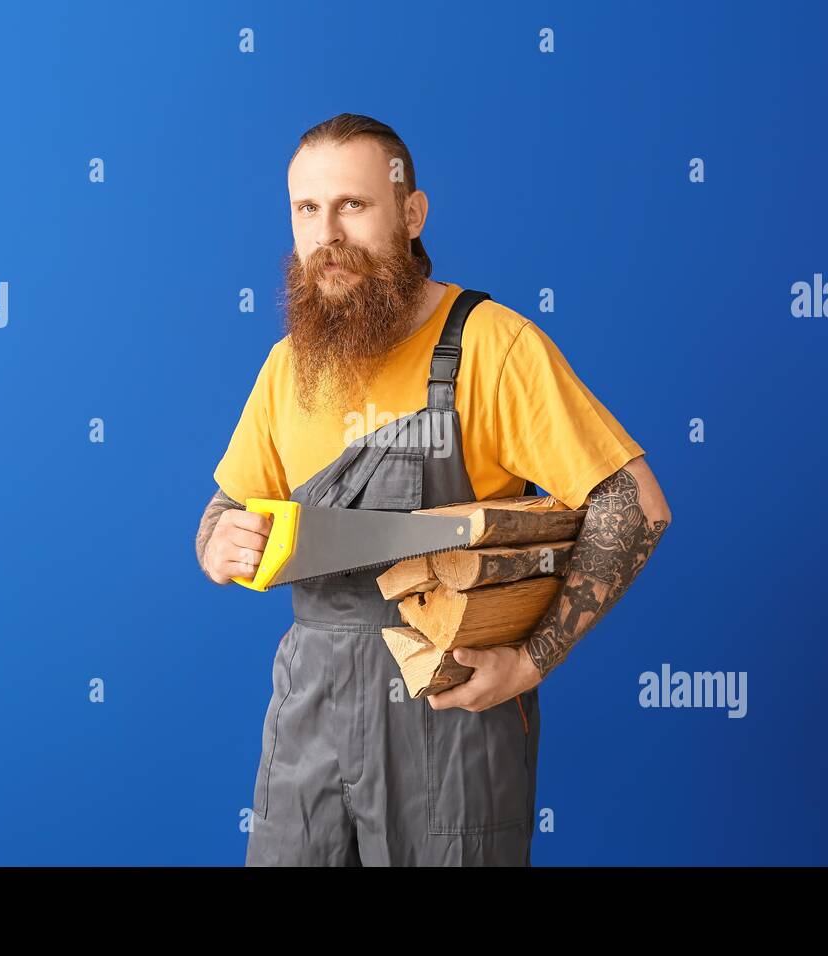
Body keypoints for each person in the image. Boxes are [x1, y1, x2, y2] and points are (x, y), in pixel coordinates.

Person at [195, 113, 672, 866]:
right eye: (306, 210)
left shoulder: (490, 345)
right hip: (307, 718)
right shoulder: (290, 364)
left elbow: (636, 502)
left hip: (448, 718)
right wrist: (216, 543)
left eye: (352, 205)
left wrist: (533, 659)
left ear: (410, 214)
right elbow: (224, 509)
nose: (327, 234)